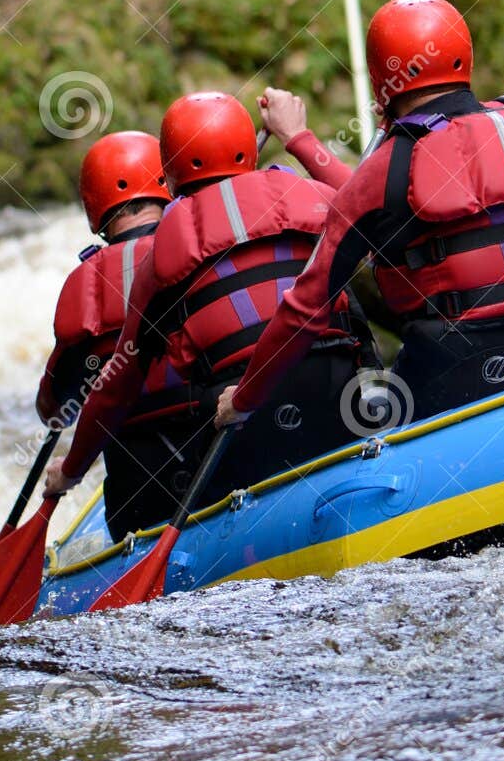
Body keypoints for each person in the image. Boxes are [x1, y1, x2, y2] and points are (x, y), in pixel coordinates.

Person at [214, 0, 504, 428]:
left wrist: (244, 400)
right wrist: (300, 139)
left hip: (450, 384)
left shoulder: (381, 173)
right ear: (464, 59)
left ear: (381, 79)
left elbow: (306, 308)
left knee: (364, 409)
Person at [46, 92, 369, 540]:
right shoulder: (308, 192)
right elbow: (366, 199)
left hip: (240, 421)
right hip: (341, 396)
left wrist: (72, 471)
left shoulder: (164, 252)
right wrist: (297, 137)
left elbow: (106, 389)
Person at [35, 131, 169, 428]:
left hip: (140, 464)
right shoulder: (199, 244)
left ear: (93, 205)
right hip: (226, 429)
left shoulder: (83, 285)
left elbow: (54, 412)